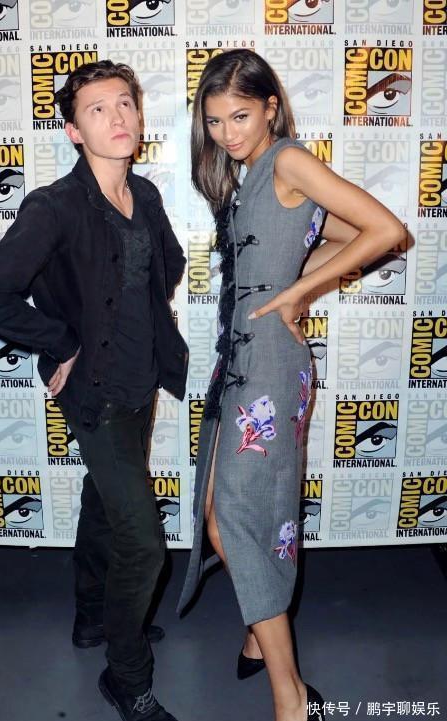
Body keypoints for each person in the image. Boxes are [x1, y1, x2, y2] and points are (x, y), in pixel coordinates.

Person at [177, 49, 407, 721]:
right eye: (215, 121)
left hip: (269, 369)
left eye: (241, 116)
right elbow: (340, 237)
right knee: (229, 514)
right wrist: (297, 280)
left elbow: (388, 230)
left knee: (236, 523)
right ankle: (258, 634)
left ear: (271, 108)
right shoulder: (252, 174)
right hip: (242, 362)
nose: (227, 133)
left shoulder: (288, 161)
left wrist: (296, 292)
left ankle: (292, 695)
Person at [0, 60, 188, 721]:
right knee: (143, 542)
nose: (117, 117)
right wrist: (61, 340)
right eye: (97, 109)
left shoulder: (145, 194)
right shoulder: (54, 207)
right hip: (94, 392)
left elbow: (168, 266)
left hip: (142, 382)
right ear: (72, 131)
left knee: (102, 500)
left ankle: (93, 616)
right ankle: (126, 676)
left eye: (125, 103)